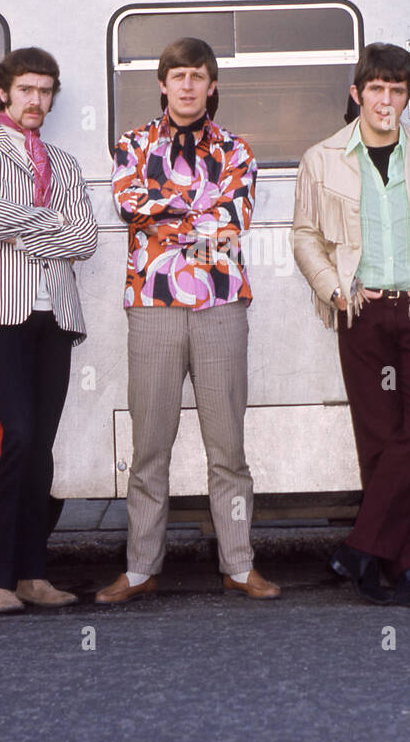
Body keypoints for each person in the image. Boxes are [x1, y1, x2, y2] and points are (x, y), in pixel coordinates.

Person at [290, 42, 410, 607]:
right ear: (358, 94)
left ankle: (360, 547)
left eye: (397, 90)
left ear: (407, 96)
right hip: (362, 313)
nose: (387, 100)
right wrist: (335, 291)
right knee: (378, 440)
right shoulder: (321, 158)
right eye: (377, 89)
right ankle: (406, 569)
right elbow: (304, 236)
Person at [98, 37, 279, 603]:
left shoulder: (237, 148)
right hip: (152, 304)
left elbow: (232, 218)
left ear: (212, 85)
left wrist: (169, 213)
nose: (187, 85)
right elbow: (130, 203)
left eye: (197, 76)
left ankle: (239, 564)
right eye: (177, 75)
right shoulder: (133, 143)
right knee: (150, 445)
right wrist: (195, 211)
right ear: (162, 83)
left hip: (221, 302)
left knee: (227, 447)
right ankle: (140, 568)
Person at [0, 48, 98, 614]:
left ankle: (33, 573)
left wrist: (32, 228)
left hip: (55, 314)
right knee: (16, 436)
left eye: (46, 90)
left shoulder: (65, 161)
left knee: (41, 447)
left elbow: (85, 241)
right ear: (4, 92)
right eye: (27, 89)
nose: (37, 100)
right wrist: (52, 224)